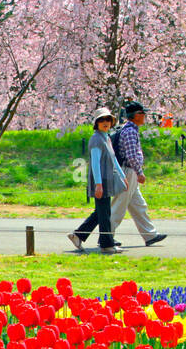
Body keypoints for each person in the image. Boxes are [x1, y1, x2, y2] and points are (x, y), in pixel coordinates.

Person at [109, 101, 167, 247]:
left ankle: (150, 235)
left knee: (139, 205)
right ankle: (106, 236)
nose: (144, 116)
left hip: (130, 171)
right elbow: (131, 156)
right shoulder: (130, 131)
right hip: (129, 172)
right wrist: (139, 172)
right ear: (136, 116)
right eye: (142, 113)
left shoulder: (130, 129)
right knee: (119, 206)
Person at [68, 108, 126, 254]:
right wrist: (98, 184)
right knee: (104, 213)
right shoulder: (96, 139)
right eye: (102, 120)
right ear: (96, 123)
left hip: (107, 179)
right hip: (101, 181)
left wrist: (122, 176)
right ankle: (106, 244)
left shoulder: (106, 138)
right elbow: (95, 163)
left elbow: (113, 159)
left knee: (101, 212)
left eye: (108, 120)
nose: (105, 122)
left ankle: (78, 235)